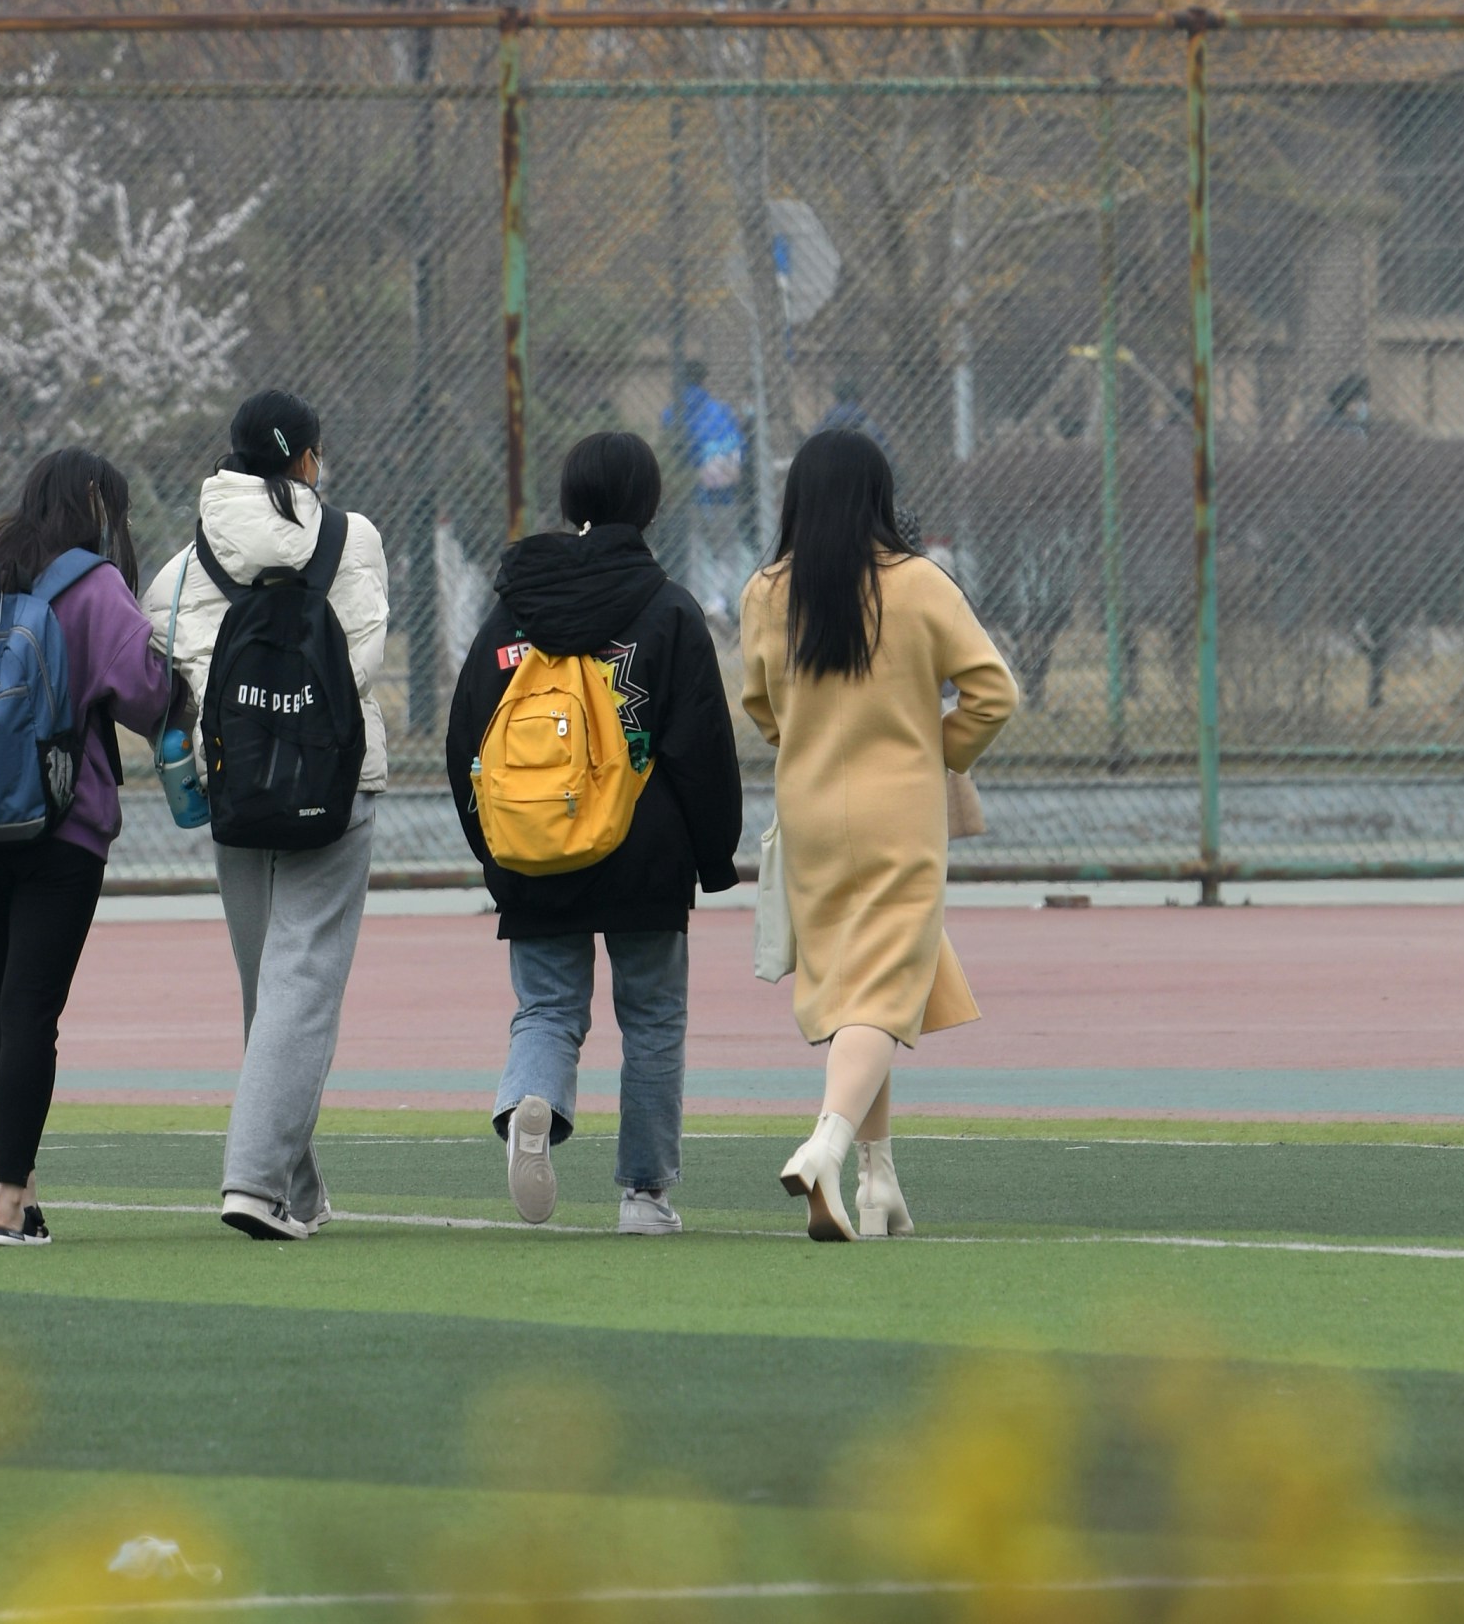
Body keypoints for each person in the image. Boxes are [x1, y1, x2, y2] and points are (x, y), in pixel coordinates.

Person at [446, 428, 744, 1234]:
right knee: (650, 1018)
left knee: (546, 1008)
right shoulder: (669, 608)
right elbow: (701, 749)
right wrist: (714, 858)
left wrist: (493, 847)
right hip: (646, 851)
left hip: (533, 843)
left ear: (570, 500)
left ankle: (530, 1100)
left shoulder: (515, 606)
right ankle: (643, 1195)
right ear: (647, 505)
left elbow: (467, 731)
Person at [741, 426, 1015, 1244]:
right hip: (900, 813)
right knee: (885, 988)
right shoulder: (919, 583)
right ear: (879, 497)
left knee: (859, 986)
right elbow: (991, 693)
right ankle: (826, 1145)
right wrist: (939, 747)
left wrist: (805, 740)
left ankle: (876, 1180)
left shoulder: (766, 590)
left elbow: (759, 704)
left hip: (811, 811)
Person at [147, 388, 388, 1243]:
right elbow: (363, 659)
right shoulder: (352, 539)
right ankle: (253, 1181)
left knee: (269, 988)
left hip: (235, 791)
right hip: (335, 786)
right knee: (304, 982)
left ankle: (299, 1186)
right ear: (306, 459)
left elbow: (169, 671)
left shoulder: (179, 571)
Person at [0, 447, 173, 1249]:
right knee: (34, 1008)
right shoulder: (96, 587)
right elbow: (146, 699)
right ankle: (3, 1203)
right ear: (100, 506)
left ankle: (22, 1192)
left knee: (4, 1001)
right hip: (59, 825)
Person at [663, 358, 748, 625]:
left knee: (693, 548)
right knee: (726, 549)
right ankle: (717, 600)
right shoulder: (720, 411)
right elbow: (739, 447)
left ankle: (697, 603)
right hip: (722, 493)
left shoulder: (673, 412)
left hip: (685, 492)